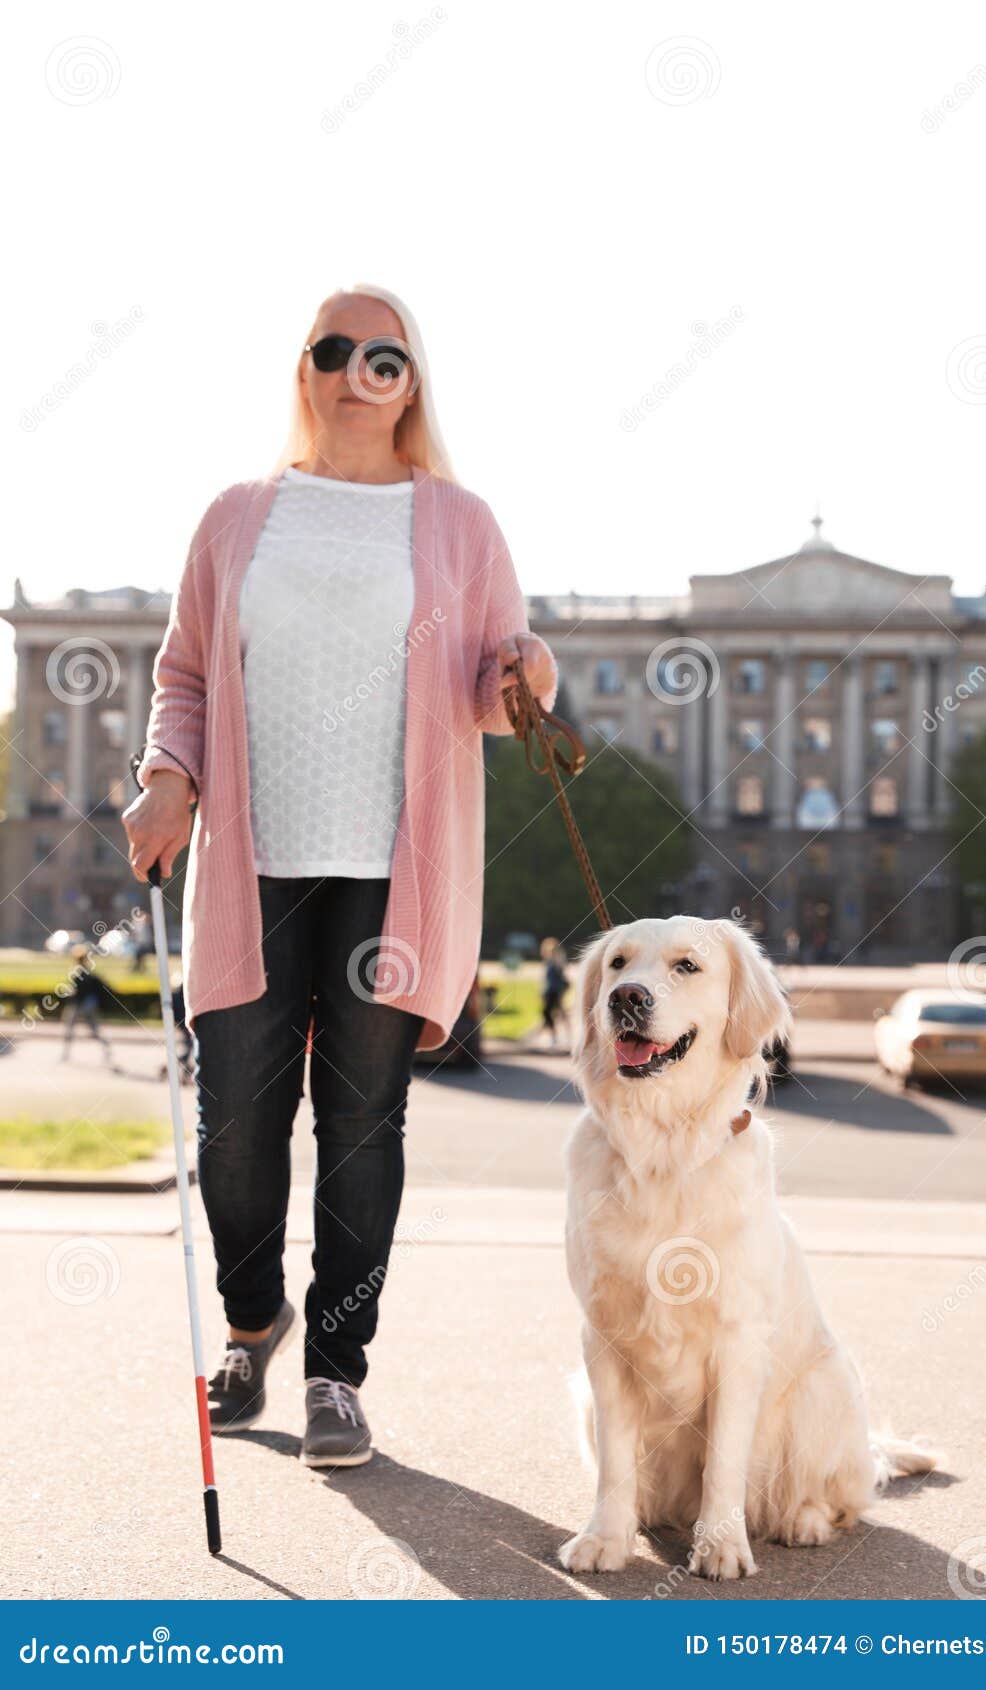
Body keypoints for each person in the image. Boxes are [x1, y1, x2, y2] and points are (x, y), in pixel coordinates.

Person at [122, 284, 558, 1467]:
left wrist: (526, 673)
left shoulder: (458, 522)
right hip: (251, 864)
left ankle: (334, 1371)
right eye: (334, 348)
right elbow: (185, 675)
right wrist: (166, 774)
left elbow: (491, 696)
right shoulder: (238, 516)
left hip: (392, 874)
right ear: (303, 369)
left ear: (410, 382)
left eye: (384, 354)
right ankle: (251, 1317)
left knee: (362, 1127)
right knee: (234, 1127)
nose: (357, 369)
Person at [59, 947, 114, 1066]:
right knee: (94, 1029)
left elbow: (78, 991)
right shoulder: (88, 972)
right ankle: (106, 1050)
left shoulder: (79, 973)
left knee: (69, 1029)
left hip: (79, 1005)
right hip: (89, 1005)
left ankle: (65, 1054)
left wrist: (69, 994)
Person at [538, 937, 569, 1048]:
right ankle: (562, 1035)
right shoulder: (548, 962)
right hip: (549, 991)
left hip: (555, 991)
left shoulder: (557, 961)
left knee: (548, 1012)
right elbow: (546, 979)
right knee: (559, 1013)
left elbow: (561, 973)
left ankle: (556, 1036)